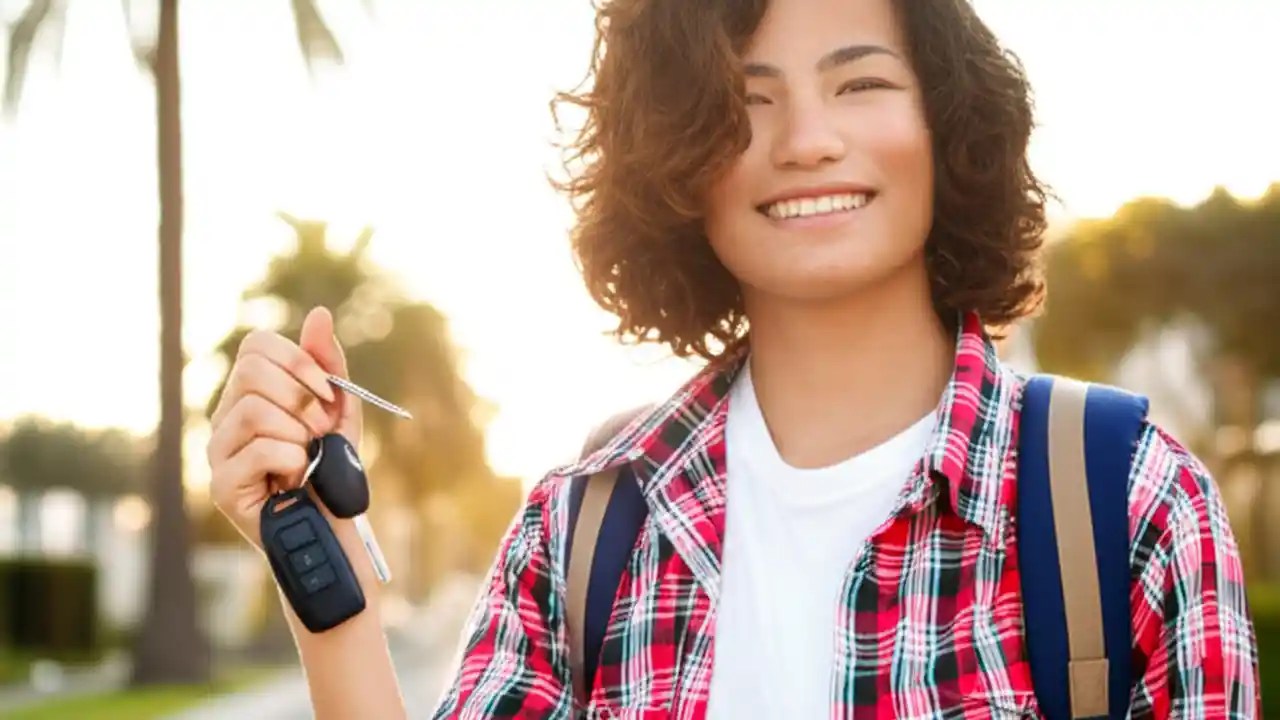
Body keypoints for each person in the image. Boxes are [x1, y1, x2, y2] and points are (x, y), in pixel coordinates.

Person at [206, 0, 1262, 717]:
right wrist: (332, 588)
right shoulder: (581, 527)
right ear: (673, 162)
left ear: (946, 124)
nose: (804, 138)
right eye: (744, 103)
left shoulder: (1125, 496)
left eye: (858, 85)